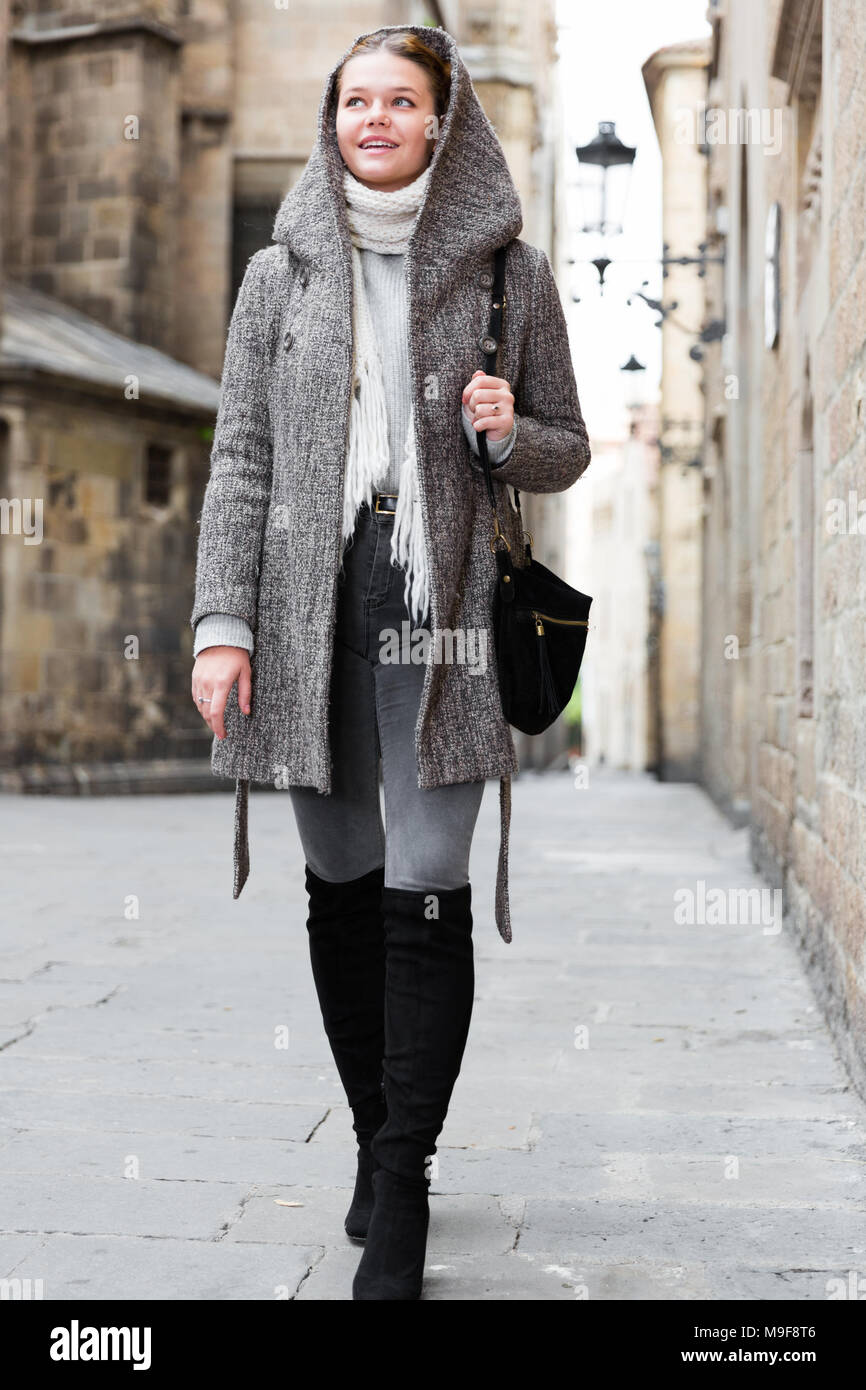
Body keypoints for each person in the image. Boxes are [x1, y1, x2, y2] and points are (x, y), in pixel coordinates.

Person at [189, 23, 591, 1300]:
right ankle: (370, 1134)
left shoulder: (504, 277)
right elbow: (240, 461)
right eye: (355, 100)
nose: (374, 119)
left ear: (440, 119)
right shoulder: (277, 277)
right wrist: (220, 626)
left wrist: (506, 428)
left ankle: (403, 1184)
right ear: (334, 119)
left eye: (398, 101)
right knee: (342, 886)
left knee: (425, 888)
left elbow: (567, 445)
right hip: (306, 618)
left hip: (443, 618)